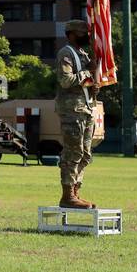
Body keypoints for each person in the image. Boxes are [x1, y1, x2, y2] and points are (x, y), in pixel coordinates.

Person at [55, 18, 98, 208]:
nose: (87, 37)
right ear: (71, 34)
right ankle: (67, 195)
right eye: (83, 33)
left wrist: (95, 82)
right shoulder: (66, 53)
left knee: (86, 154)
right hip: (72, 110)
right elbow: (65, 80)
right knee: (73, 153)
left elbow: (87, 83)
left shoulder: (83, 54)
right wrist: (87, 73)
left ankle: (75, 191)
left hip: (86, 108)